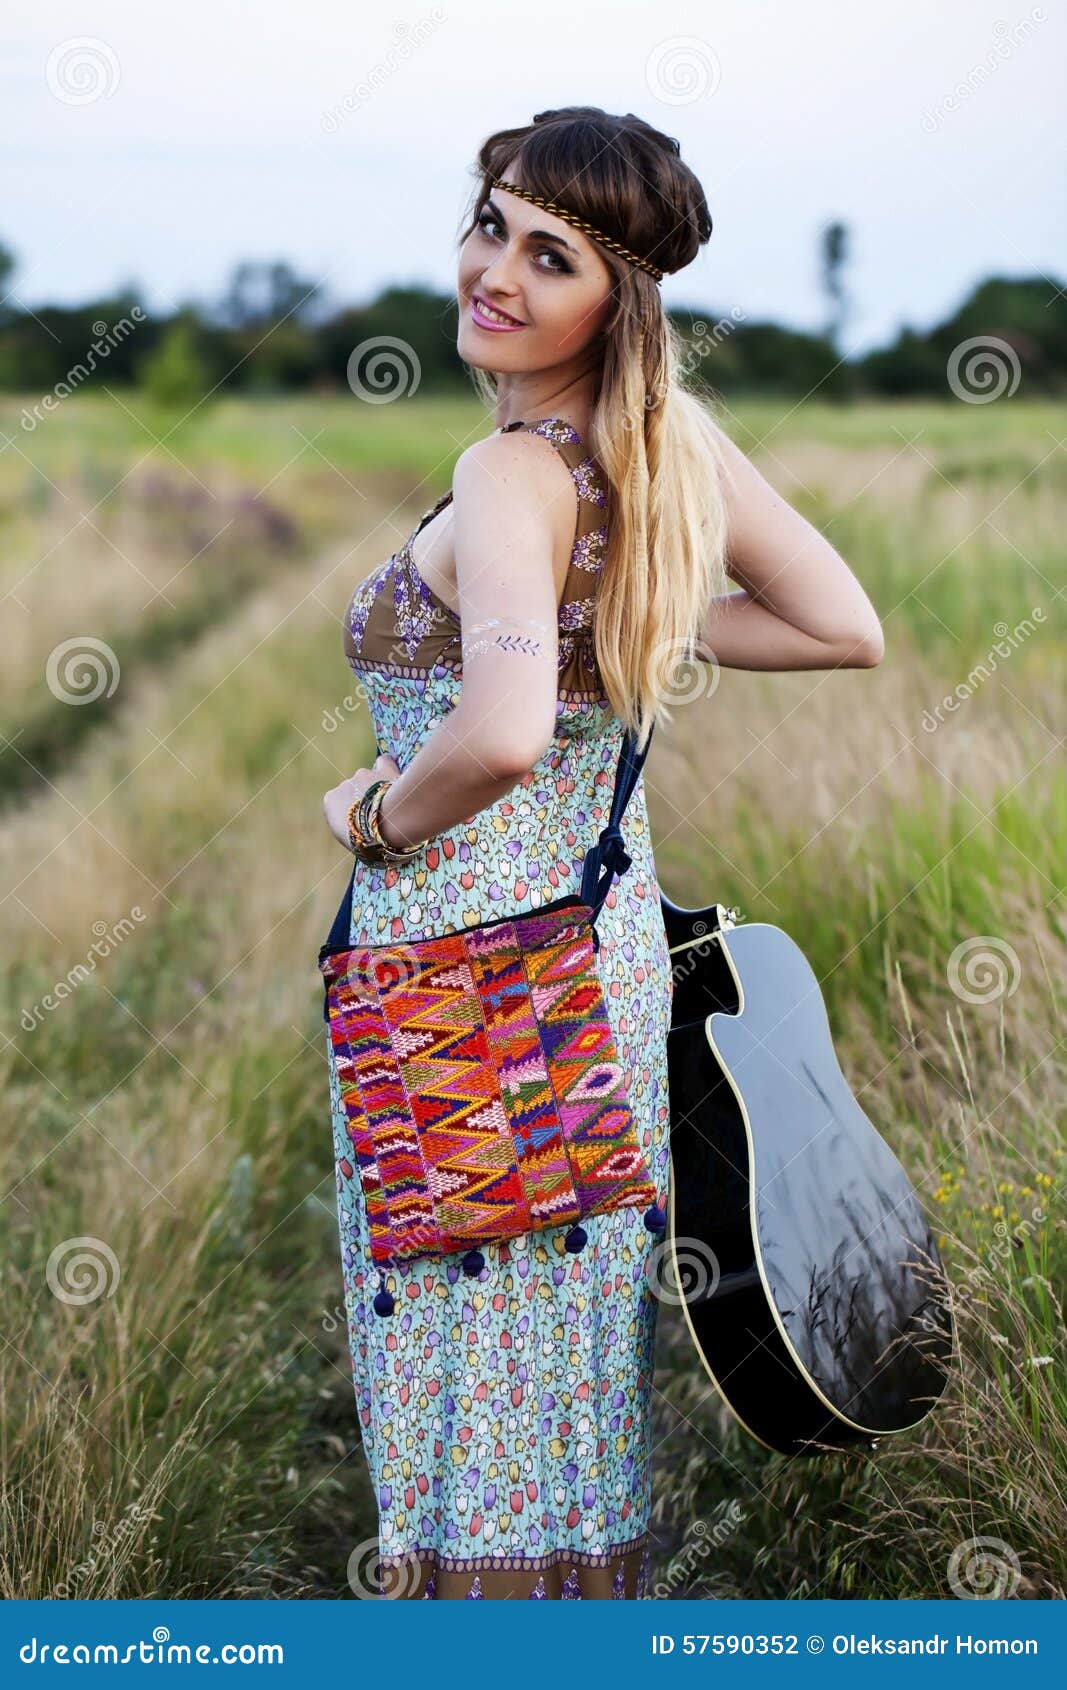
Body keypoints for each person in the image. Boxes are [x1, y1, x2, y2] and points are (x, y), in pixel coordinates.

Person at [321, 105, 884, 1602]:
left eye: (546, 252)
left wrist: (371, 815)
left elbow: (500, 733)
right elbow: (844, 624)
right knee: (556, 1372)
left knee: (461, 1374)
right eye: (490, 220)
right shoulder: (661, 445)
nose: (492, 269)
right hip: (593, 952)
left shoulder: (511, 475)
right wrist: (626, 620)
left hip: (463, 971)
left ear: (611, 299)